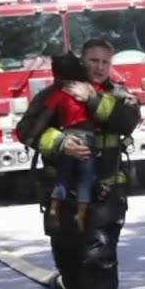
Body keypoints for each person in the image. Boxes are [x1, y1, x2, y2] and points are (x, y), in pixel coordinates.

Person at [24, 39, 142, 289]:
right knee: (69, 254)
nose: (99, 67)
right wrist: (60, 143)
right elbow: (27, 130)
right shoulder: (56, 94)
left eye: (105, 61)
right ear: (83, 60)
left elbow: (127, 122)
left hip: (106, 189)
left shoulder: (119, 96)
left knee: (100, 252)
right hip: (63, 192)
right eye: (93, 60)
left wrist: (93, 99)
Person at [43, 52, 106, 232]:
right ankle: (81, 214)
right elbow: (107, 101)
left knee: (62, 177)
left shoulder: (57, 93)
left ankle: (54, 208)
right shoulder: (90, 88)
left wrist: (58, 141)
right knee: (86, 179)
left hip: (68, 138)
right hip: (87, 139)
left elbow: (41, 119)